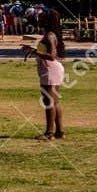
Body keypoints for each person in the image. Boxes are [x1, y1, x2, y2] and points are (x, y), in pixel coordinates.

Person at [24, 9, 67, 139]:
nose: (39, 19)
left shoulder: (49, 35)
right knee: (55, 102)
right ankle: (59, 131)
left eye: (41, 18)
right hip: (52, 69)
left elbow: (52, 56)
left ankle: (49, 133)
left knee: (49, 102)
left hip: (50, 69)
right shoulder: (51, 34)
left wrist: (34, 51)